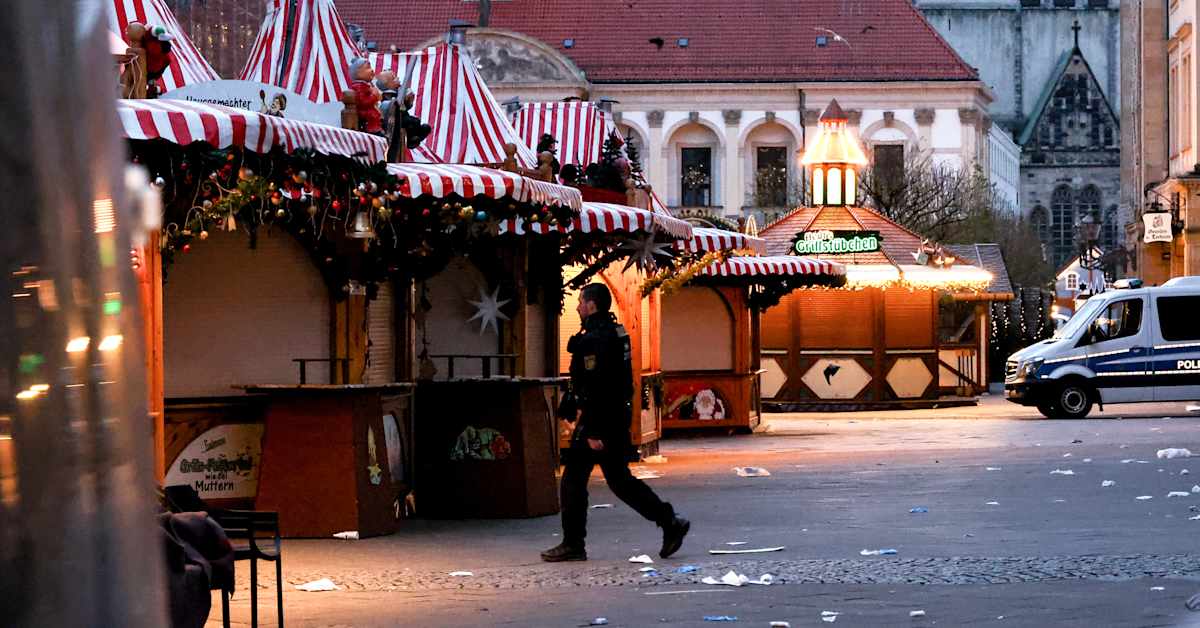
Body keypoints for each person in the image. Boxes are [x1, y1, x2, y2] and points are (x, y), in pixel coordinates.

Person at [542, 283, 689, 562]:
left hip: (601, 421)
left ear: (592, 305)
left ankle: (573, 544)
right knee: (620, 481)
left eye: (581, 302)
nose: (577, 307)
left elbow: (600, 386)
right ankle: (670, 521)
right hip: (614, 419)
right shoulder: (614, 332)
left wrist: (594, 429)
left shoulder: (597, 339)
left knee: (573, 480)